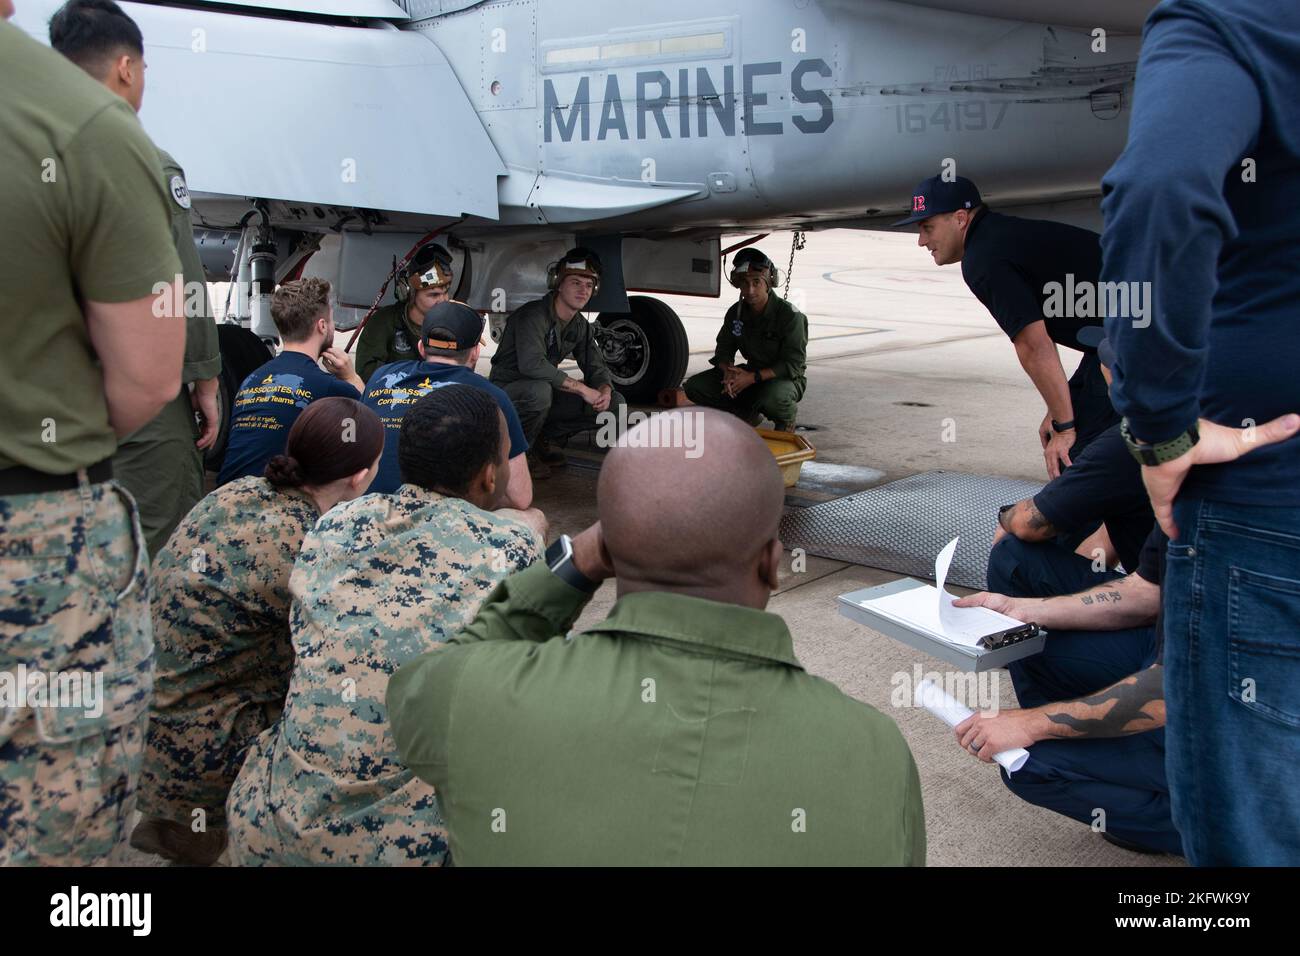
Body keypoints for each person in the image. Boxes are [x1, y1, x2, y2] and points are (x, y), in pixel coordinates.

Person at [389, 409, 925, 866]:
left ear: (611, 549)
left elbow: (421, 692)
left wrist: (576, 561)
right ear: (772, 563)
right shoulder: (876, 755)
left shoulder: (475, 699)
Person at [1101, 0, 1300, 865]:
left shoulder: (1225, 17)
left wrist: (1160, 432)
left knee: (1247, 832)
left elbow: (1161, 189)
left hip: (1266, 499)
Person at [0, 1, 184, 865]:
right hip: (35, 541)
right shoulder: (83, 128)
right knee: (55, 838)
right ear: (124, 68)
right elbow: (147, 376)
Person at [226, 386, 546, 866]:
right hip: (396, 851)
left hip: (267, 832)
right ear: (488, 475)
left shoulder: (337, 524)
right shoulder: (512, 551)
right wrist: (529, 526)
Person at [130, 398, 383, 866]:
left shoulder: (236, 492)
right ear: (360, 477)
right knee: (354, 696)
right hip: (201, 747)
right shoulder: (313, 548)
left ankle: (179, 817)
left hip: (139, 721)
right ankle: (215, 823)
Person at [49, 0, 222, 560]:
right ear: (126, 68)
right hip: (139, 395)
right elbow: (181, 283)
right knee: (157, 542)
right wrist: (204, 379)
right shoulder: (147, 160)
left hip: (42, 394)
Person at [952, 527, 1179, 856]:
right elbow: (1145, 592)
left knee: (1027, 763)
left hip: (1238, 738)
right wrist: (1022, 611)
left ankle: (1232, 835)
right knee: (1033, 647)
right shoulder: (1189, 501)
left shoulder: (1252, 542)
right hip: (1169, 664)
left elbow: (1169, 694)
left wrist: (1033, 724)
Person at [894, 175, 1119, 478]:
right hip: (1121, 331)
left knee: (1073, 458)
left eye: (927, 227)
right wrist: (1058, 411)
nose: (921, 240)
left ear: (960, 219)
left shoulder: (983, 259)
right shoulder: (997, 237)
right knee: (1072, 437)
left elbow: (1033, 345)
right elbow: (1043, 335)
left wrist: (1066, 428)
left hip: (1142, 333)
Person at [362, 300, 531, 505]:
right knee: (533, 517)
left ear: (422, 348)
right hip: (440, 520)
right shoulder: (492, 397)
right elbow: (521, 498)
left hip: (371, 510)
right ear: (475, 352)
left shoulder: (382, 375)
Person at [488, 246, 625, 478]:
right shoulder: (534, 316)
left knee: (615, 403)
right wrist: (582, 389)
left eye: (589, 285)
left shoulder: (579, 324)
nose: (583, 291)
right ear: (558, 284)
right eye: (575, 283)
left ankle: (542, 437)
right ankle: (518, 453)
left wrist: (604, 389)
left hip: (541, 393)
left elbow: (596, 366)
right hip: (506, 394)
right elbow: (531, 365)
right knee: (540, 391)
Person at [217, 277, 363, 485]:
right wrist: (351, 377)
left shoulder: (252, 380)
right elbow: (375, 423)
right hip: (272, 507)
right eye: (330, 321)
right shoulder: (330, 387)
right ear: (322, 326)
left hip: (222, 498)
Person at [682, 248, 808, 432]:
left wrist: (752, 378)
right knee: (696, 387)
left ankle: (786, 421)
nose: (750, 290)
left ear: (768, 283)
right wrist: (727, 372)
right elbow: (724, 349)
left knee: (774, 399)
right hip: (752, 372)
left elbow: (792, 365)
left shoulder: (790, 316)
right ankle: (745, 413)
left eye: (756, 282)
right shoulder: (736, 313)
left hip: (784, 379)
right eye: (745, 283)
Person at [355, 243, 454, 384]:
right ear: (410, 293)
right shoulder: (385, 321)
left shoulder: (453, 323)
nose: (443, 300)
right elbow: (366, 371)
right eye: (434, 295)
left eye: (445, 293)